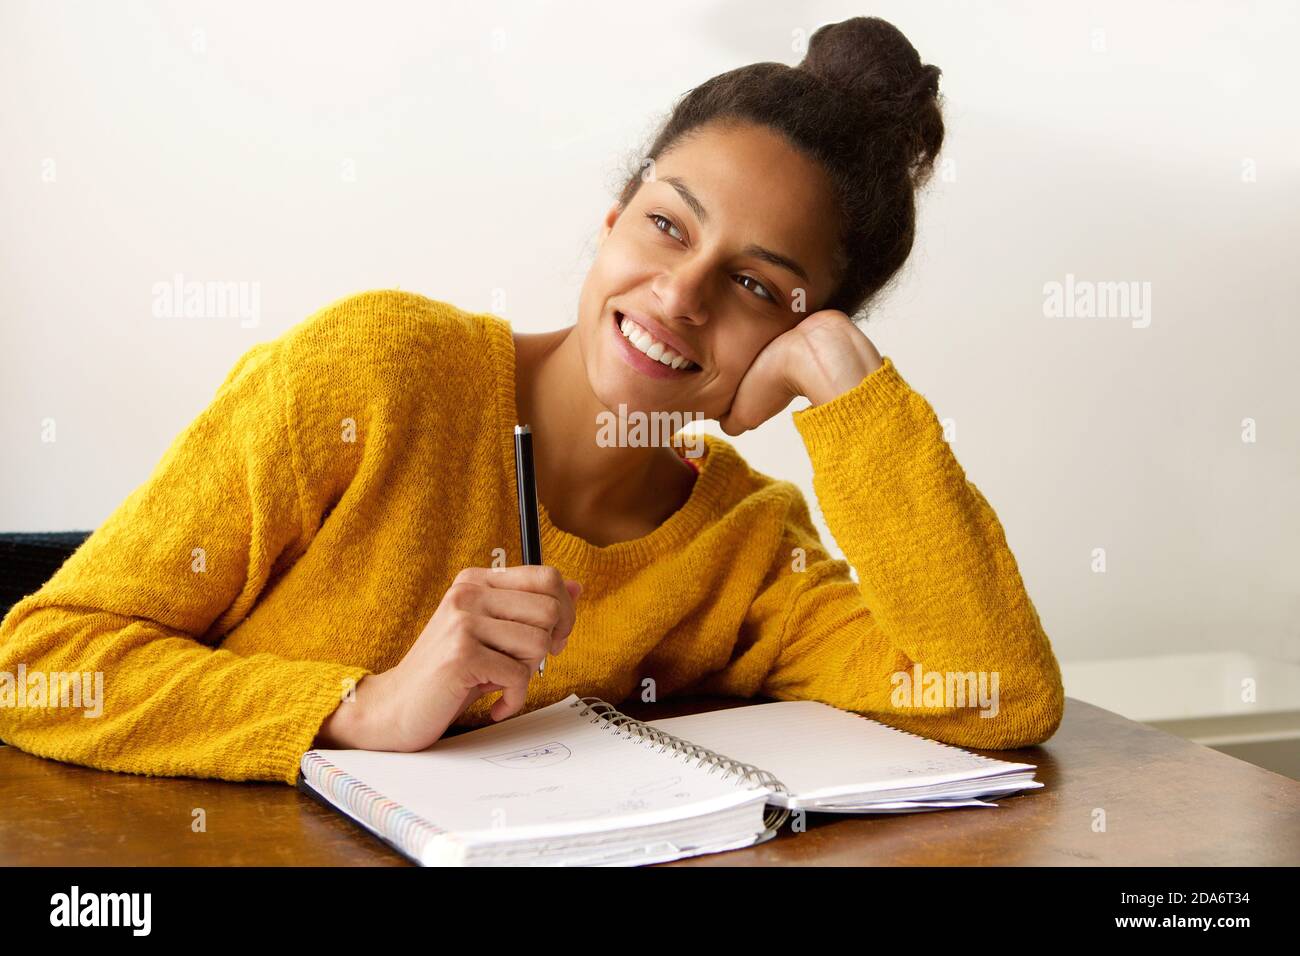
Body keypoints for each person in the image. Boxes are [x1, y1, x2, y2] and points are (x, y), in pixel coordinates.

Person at [0, 17, 1064, 785]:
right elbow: (35, 663)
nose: (679, 294)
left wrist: (851, 388)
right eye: (666, 224)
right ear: (611, 220)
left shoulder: (744, 550)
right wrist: (358, 706)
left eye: (755, 286)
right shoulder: (371, 373)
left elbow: (992, 691)